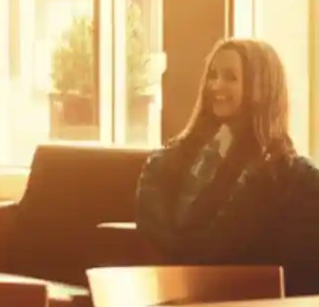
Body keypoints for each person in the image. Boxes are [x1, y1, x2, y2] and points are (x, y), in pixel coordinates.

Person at [136, 38, 319, 291]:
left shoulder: (289, 180)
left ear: (260, 88)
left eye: (230, 77)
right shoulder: (170, 163)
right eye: (213, 75)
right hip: (167, 294)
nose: (216, 85)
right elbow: (162, 234)